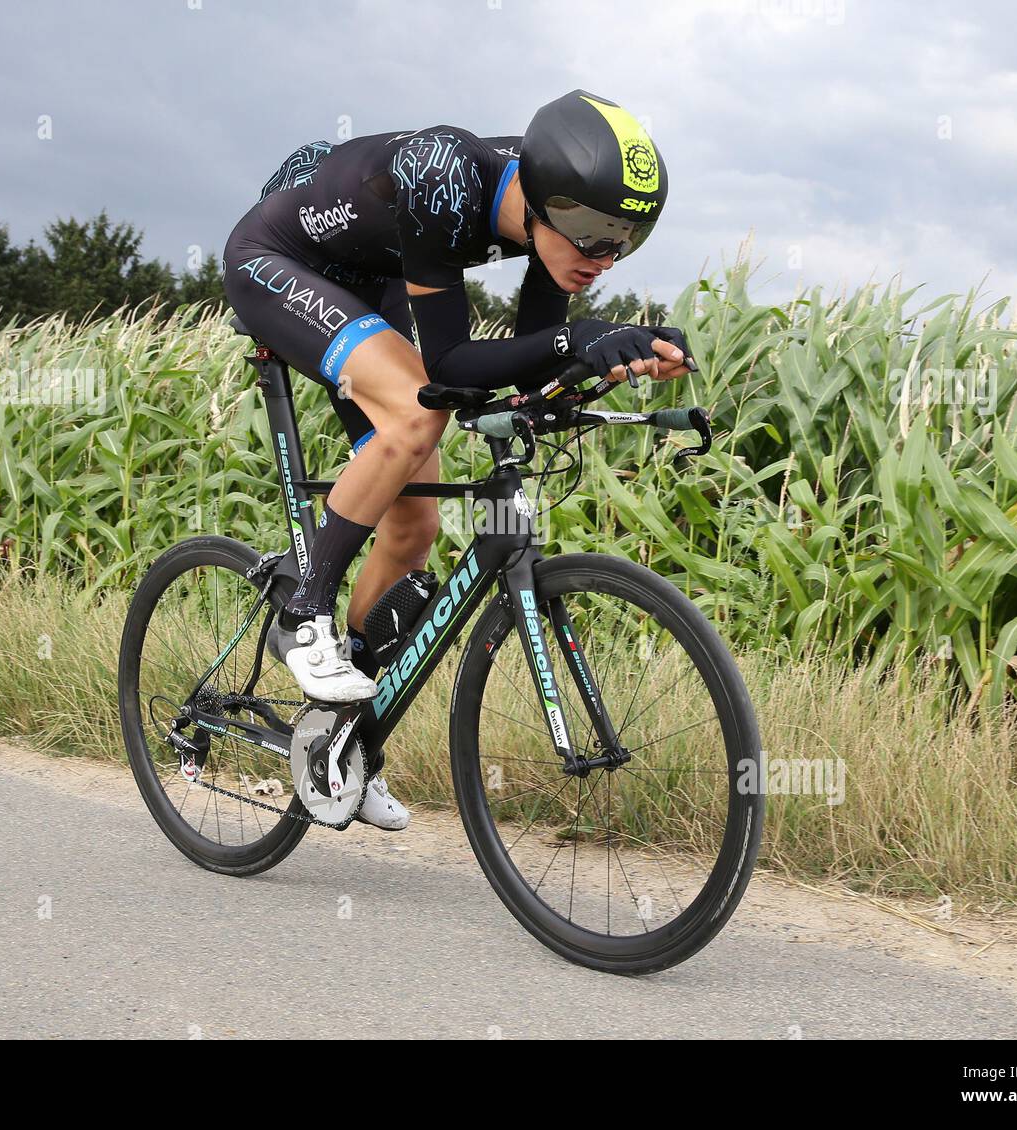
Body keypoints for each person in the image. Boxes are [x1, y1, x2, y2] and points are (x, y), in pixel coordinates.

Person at [222, 89, 691, 829]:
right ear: (542, 200)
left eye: (624, 239)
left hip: (369, 276)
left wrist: (619, 359)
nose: (603, 256)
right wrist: (579, 339)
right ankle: (302, 610)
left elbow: (531, 368)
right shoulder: (447, 175)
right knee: (416, 412)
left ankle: (339, 743)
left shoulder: (553, 233)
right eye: (593, 233)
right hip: (278, 260)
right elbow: (448, 365)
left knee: (412, 533)